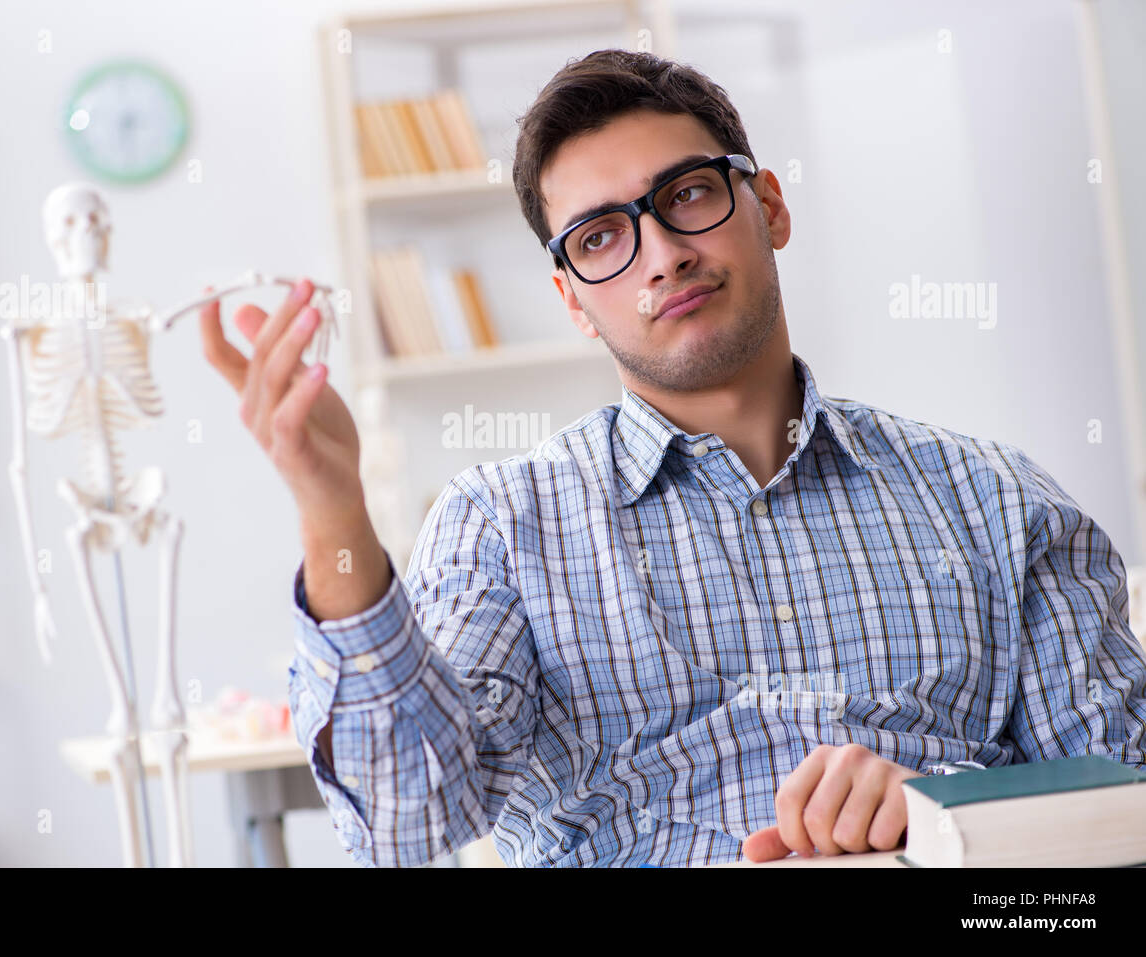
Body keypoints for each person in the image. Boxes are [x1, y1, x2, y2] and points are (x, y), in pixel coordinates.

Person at [198, 48, 1146, 867]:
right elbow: (407, 826)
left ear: (767, 205)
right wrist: (332, 511)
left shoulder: (999, 503)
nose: (660, 255)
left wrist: (951, 822)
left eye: (686, 194)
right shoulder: (503, 526)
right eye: (602, 236)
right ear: (572, 300)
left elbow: (1113, 831)